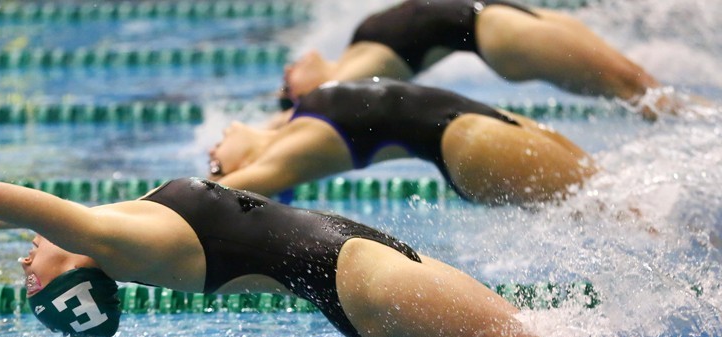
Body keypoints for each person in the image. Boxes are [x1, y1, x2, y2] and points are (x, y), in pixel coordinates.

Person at [0, 177, 584, 337]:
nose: (23, 261)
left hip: (368, 274)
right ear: (74, 273)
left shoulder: (121, 233)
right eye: (29, 277)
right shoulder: (116, 240)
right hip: (372, 286)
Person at [209, 77, 597, 204]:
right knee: (607, 207)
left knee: (604, 190)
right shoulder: (293, 153)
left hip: (477, 124)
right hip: (468, 140)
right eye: (214, 163)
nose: (211, 150)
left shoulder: (293, 122)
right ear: (243, 169)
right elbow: (206, 196)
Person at [280, 0, 673, 118]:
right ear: (304, 94)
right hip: (502, 35)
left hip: (505, 18)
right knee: (642, 94)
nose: (287, 70)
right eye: (287, 86)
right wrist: (286, 116)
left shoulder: (355, 47)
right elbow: (316, 110)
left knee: (646, 85)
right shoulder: (349, 75)